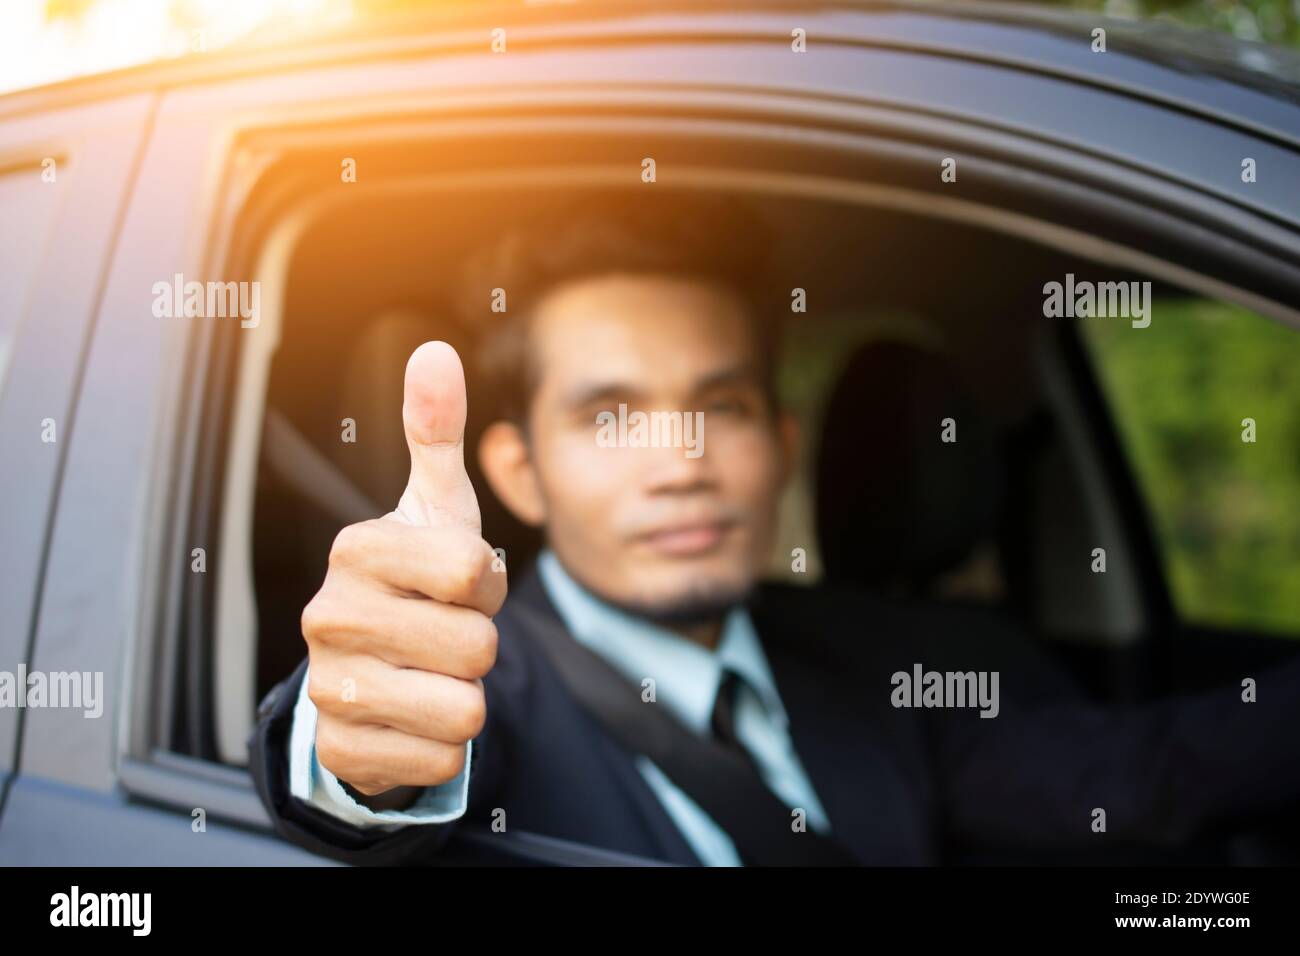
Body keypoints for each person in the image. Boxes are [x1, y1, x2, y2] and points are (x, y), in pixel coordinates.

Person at [248, 199, 1300, 866]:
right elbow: (369, 762)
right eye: (612, 416)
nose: (684, 461)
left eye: (723, 407)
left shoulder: (885, 661)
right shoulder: (481, 694)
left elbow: (1140, 780)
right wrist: (345, 751)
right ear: (518, 468)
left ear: (781, 441)